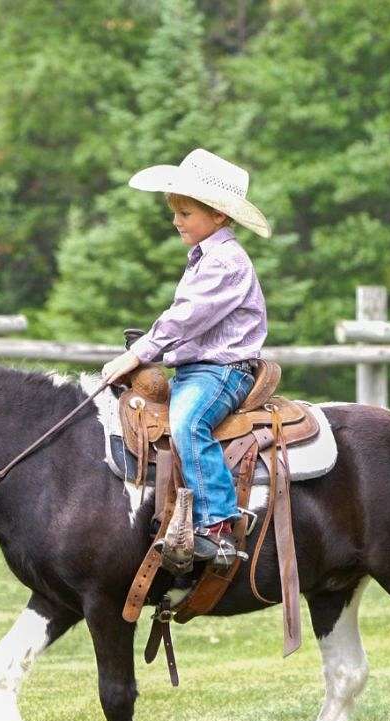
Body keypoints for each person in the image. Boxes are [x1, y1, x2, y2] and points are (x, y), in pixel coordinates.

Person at [101, 148, 271, 568]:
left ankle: (219, 525)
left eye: (186, 212)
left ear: (218, 216)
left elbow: (186, 319)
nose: (176, 220)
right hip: (198, 369)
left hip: (222, 373)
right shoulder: (205, 257)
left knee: (187, 423)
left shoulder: (226, 262)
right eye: (175, 210)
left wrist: (139, 353)